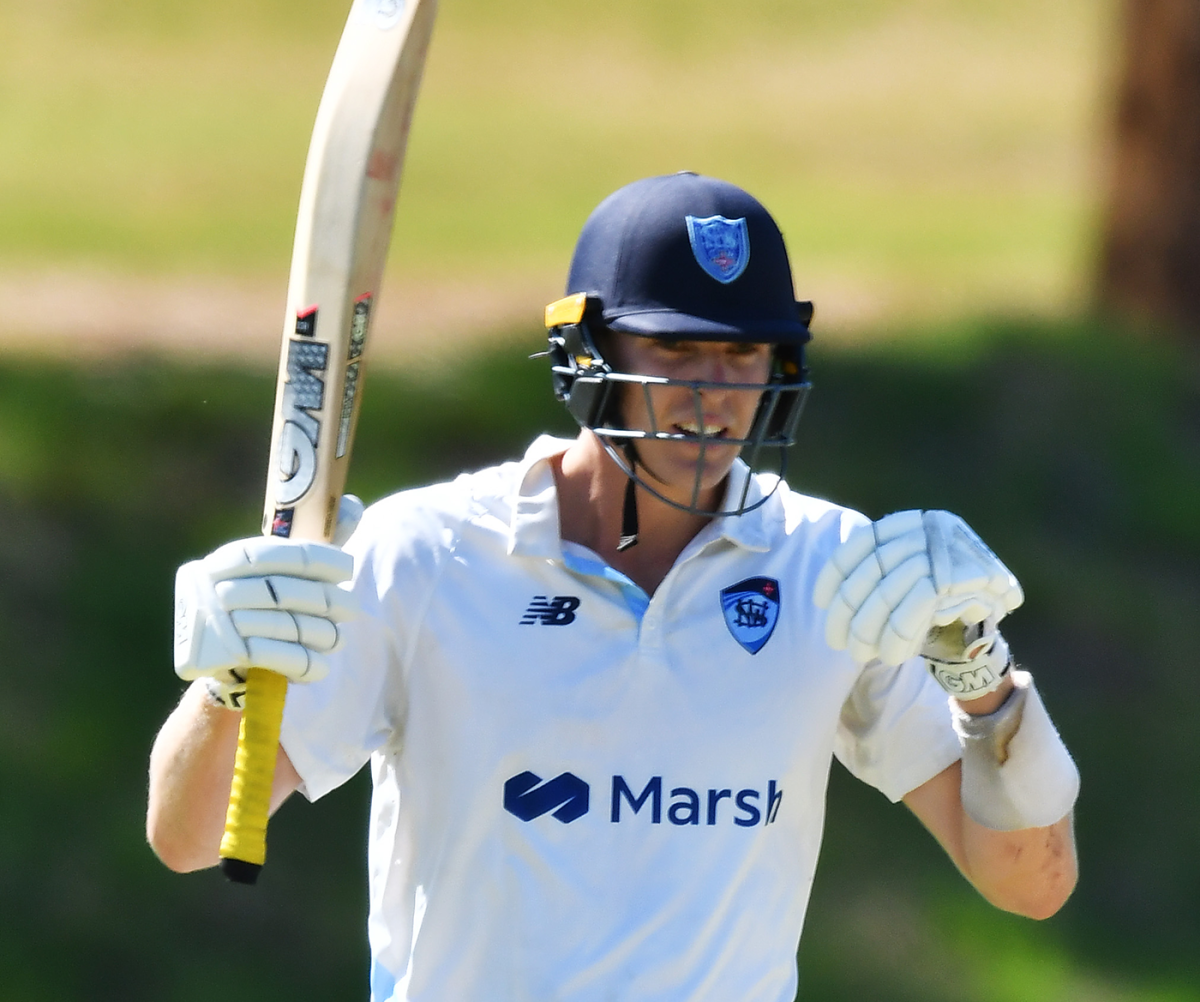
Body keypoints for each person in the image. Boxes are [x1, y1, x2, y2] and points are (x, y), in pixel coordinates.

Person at [148, 172, 1079, 1002]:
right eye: (675, 353)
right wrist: (230, 683)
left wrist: (980, 676)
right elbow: (188, 838)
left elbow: (1032, 884)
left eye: (743, 354)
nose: (713, 396)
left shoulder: (831, 569)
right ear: (586, 356)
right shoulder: (428, 554)